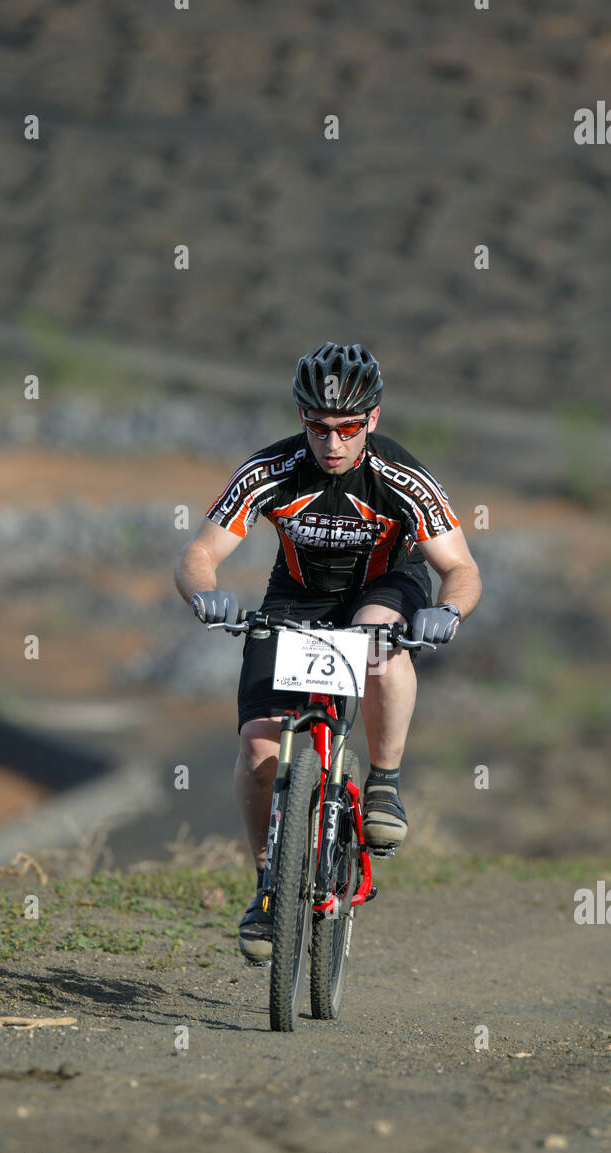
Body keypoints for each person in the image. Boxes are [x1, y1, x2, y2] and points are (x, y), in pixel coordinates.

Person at [175, 342, 482, 963]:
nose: (333, 442)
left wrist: (447, 611)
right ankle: (269, 885)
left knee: (375, 637)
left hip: (382, 589)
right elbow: (199, 555)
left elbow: (461, 567)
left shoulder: (403, 478)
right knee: (260, 746)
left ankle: (384, 784)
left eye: (348, 428)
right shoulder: (270, 470)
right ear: (300, 417)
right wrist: (206, 598)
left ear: (372, 418)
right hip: (295, 599)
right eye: (318, 427)